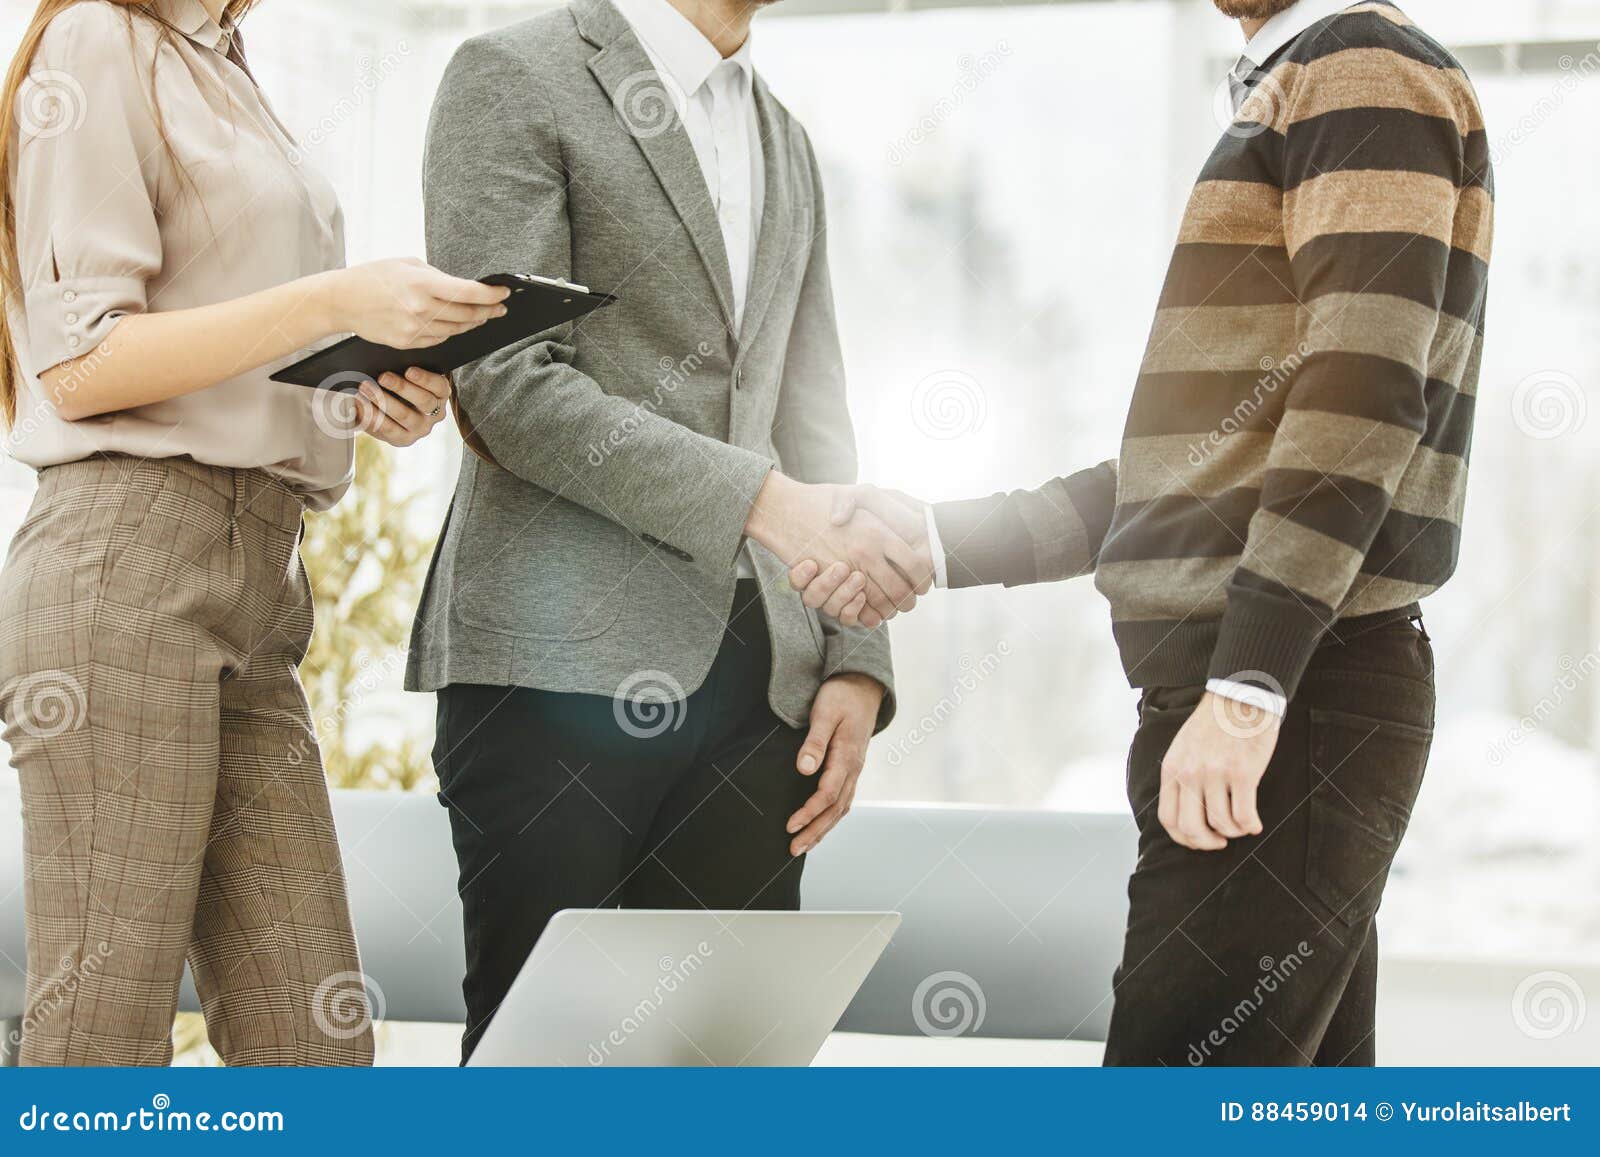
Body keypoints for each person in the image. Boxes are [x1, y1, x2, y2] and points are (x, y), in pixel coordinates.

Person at [795, 0, 1492, 1065]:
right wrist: (938, 539)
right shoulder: (1308, 77)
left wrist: (1249, 685)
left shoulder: (1358, 68)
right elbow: (1203, 467)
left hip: (1294, 691)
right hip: (1283, 694)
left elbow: (1360, 395)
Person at [408, 0, 931, 1061]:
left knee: (723, 1076)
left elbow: (812, 408)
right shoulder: (511, 74)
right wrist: (764, 503)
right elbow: (505, 384)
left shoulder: (782, 133)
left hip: (758, 683)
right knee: (546, 1080)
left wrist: (854, 656)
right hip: (553, 675)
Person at [0, 0, 509, 1066]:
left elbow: (231, 347)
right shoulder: (98, 36)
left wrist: (363, 387)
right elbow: (83, 364)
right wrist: (332, 295)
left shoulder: (222, 61)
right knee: (102, 1036)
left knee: (313, 1046)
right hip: (126, 562)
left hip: (260, 579)